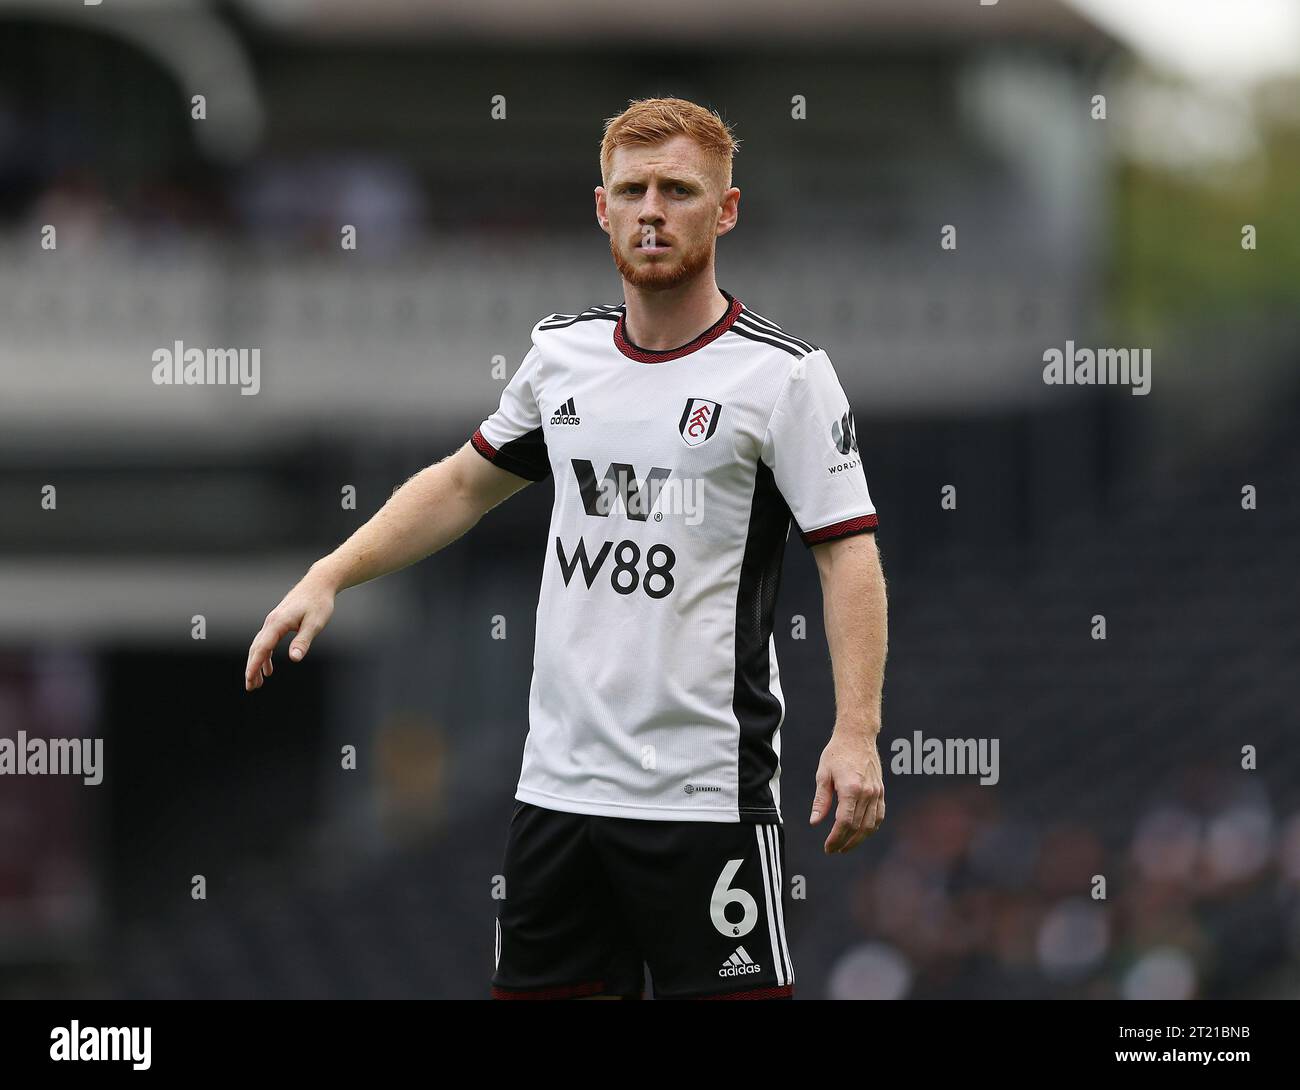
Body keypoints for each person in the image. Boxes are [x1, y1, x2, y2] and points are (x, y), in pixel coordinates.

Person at [244, 97, 888, 1000]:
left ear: (726, 210)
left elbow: (846, 553)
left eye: (678, 190)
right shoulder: (564, 354)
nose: (652, 210)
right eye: (633, 190)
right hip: (559, 796)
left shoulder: (783, 377)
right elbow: (465, 484)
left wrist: (855, 734)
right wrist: (332, 572)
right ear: (602, 208)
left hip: (702, 796)